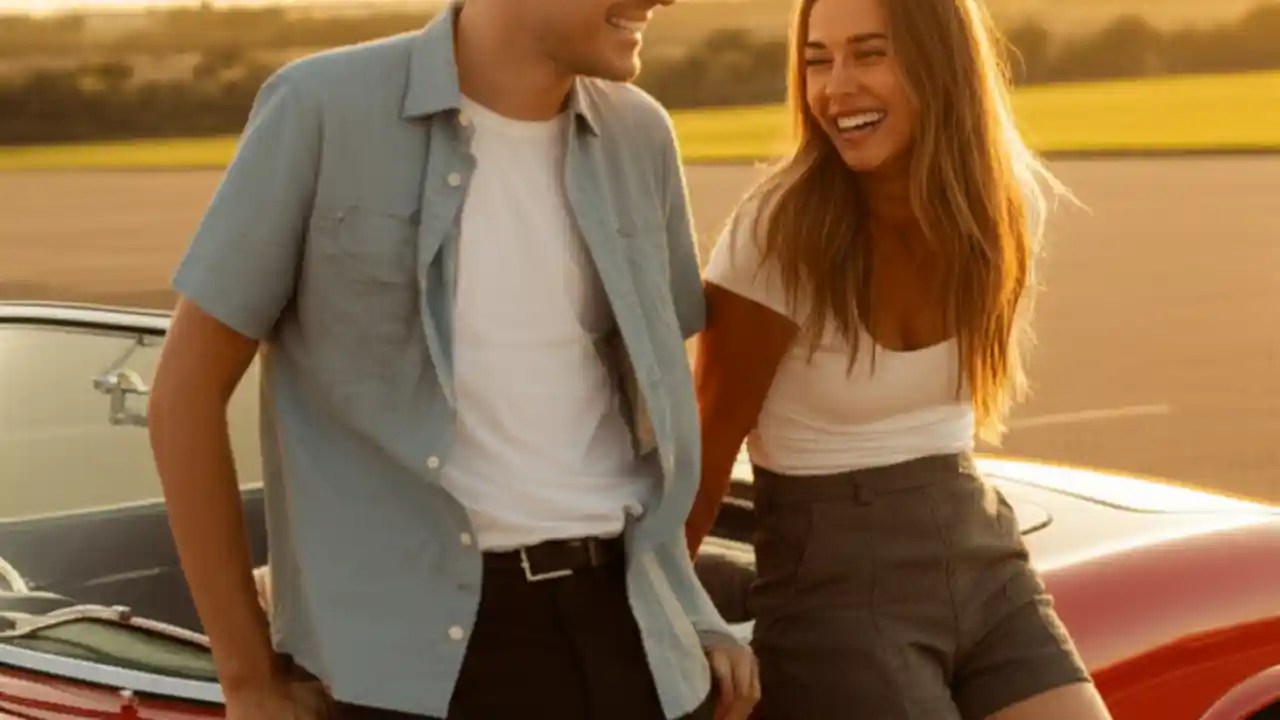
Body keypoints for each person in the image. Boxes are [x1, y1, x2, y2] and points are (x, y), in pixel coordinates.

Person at [147, 0, 759, 718]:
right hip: (414, 668)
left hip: (635, 646)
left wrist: (691, 612)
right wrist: (248, 679)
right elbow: (184, 394)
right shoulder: (321, 110)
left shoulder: (641, 133)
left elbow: (656, 417)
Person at [684, 0, 1114, 718]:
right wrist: (677, 614)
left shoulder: (1002, 208)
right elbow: (705, 439)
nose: (835, 88)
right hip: (840, 592)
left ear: (939, 62)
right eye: (817, 61)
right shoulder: (779, 232)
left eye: (869, 53)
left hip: (982, 553)